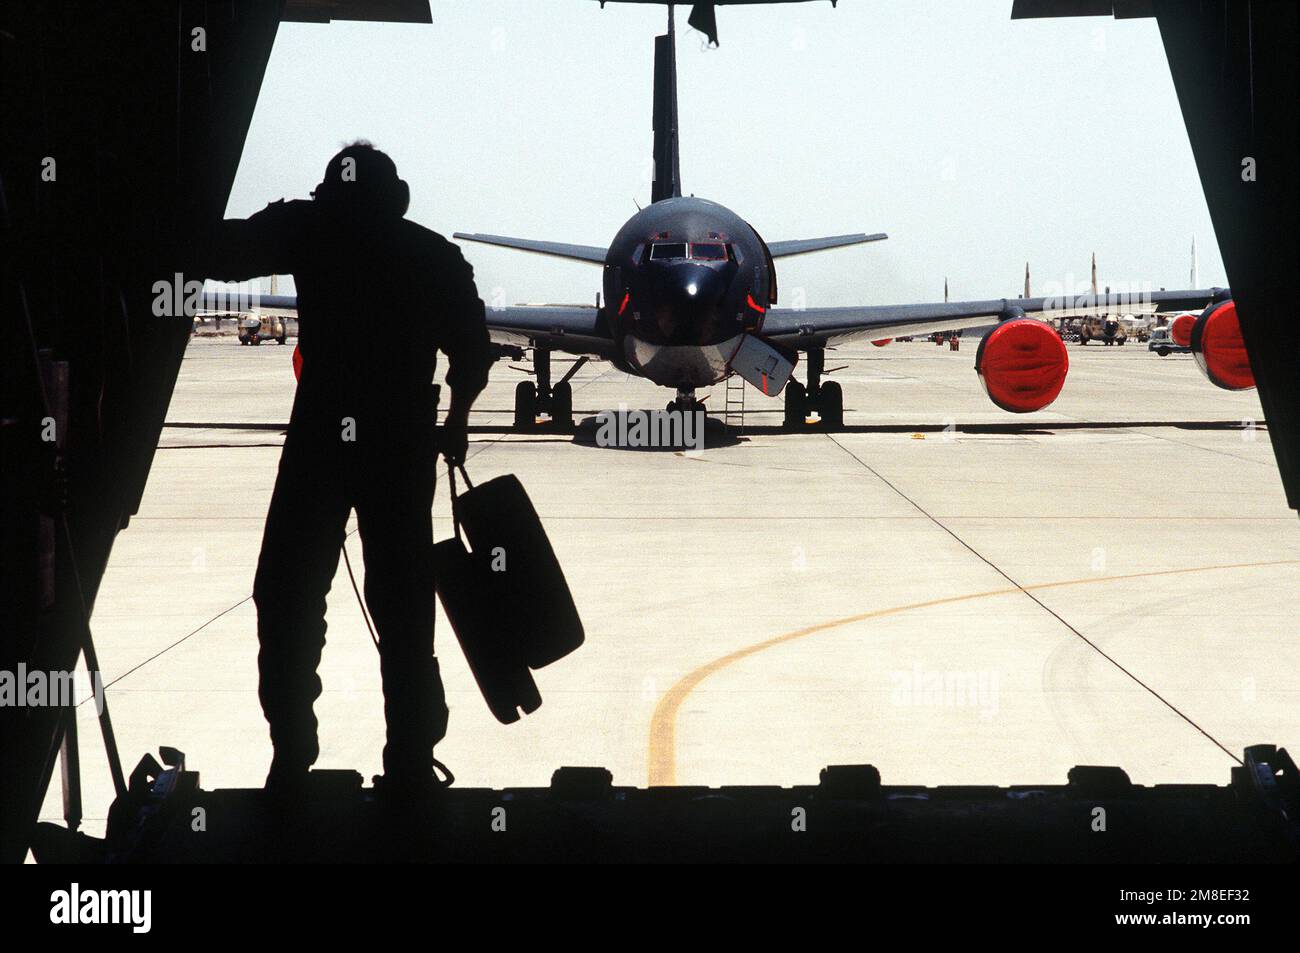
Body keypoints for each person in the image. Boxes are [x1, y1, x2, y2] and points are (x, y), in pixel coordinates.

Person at [197, 141, 491, 795]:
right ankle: (410, 759)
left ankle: (293, 754)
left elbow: (219, 253)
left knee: (287, 593)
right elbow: (472, 352)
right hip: (400, 442)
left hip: (322, 437)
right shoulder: (430, 255)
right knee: (404, 606)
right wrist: (457, 420)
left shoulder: (312, 231)